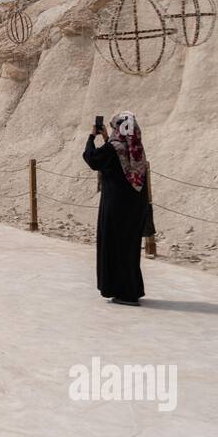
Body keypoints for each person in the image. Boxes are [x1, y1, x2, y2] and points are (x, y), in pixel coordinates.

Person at [82, 111, 154, 305]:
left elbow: (92, 158)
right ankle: (132, 290)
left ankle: (123, 293)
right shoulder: (136, 150)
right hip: (134, 210)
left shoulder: (114, 149)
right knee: (128, 250)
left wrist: (92, 136)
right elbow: (117, 158)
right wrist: (106, 138)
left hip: (116, 209)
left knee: (114, 249)